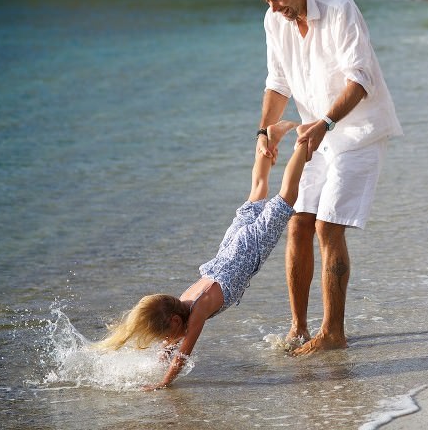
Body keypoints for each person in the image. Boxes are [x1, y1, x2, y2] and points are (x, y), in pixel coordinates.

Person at [254, 0, 402, 355]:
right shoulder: (274, 21)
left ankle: (333, 333)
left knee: (327, 226)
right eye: (267, 0)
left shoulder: (339, 8)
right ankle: (298, 328)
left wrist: (326, 123)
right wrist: (264, 132)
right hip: (314, 134)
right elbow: (277, 83)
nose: (274, 7)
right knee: (297, 223)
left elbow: (361, 79)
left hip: (357, 131)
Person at [95, 121, 306, 390]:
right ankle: (269, 137)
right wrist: (162, 354)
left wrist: (163, 383)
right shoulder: (182, 302)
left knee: (286, 197)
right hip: (231, 246)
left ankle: (303, 141)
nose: (168, 340)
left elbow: (183, 354)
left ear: (175, 320)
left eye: (167, 335)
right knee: (257, 190)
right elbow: (174, 342)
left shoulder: (196, 310)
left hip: (249, 247)